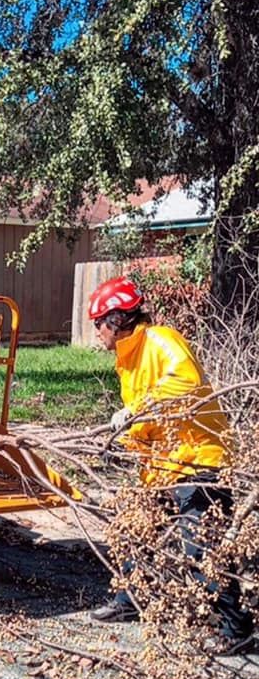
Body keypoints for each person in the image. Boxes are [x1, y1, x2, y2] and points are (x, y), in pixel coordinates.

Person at [86, 275, 255, 655]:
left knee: (200, 547)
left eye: (98, 323)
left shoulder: (161, 340)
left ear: (116, 319)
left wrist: (135, 410)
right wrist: (125, 441)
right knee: (133, 528)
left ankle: (237, 629)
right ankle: (131, 600)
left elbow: (186, 384)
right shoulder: (128, 360)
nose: (96, 332)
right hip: (163, 465)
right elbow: (148, 421)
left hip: (198, 460)